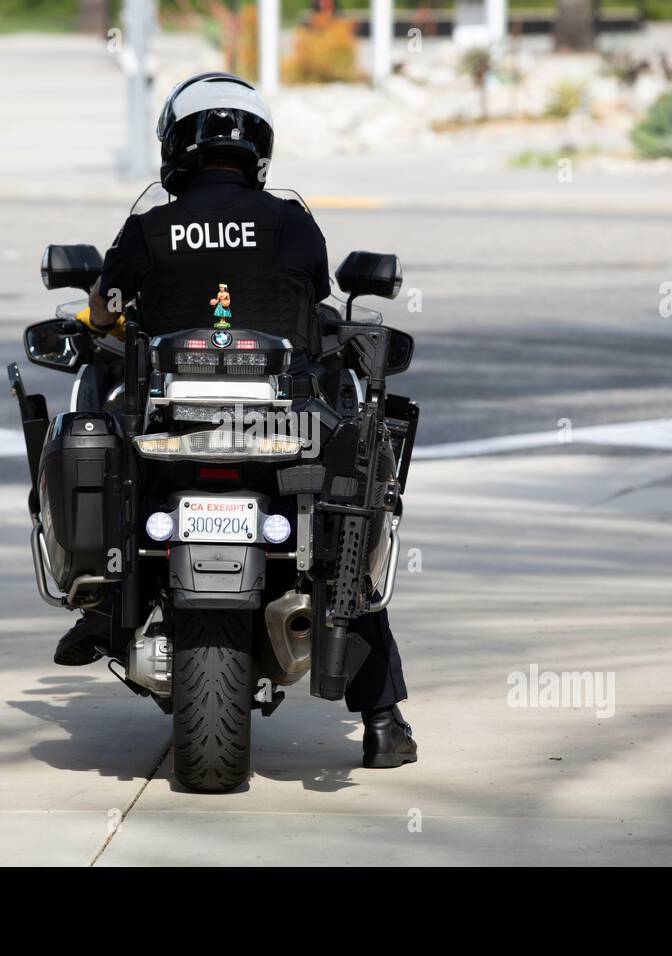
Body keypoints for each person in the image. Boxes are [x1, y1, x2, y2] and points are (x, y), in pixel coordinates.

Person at [54, 72, 416, 770]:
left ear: (175, 146)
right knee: (346, 532)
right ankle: (382, 719)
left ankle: (100, 607)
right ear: (258, 149)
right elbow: (314, 299)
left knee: (103, 447)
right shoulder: (294, 225)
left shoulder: (149, 228)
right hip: (283, 436)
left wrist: (111, 318)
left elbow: (102, 312)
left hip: (167, 431)